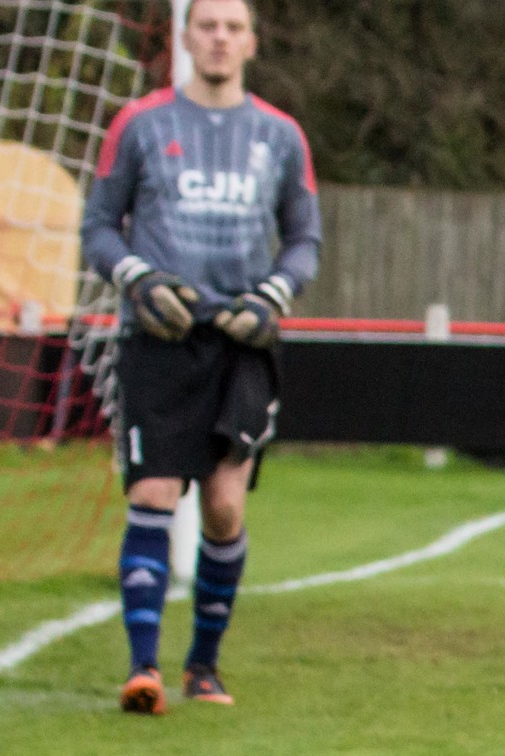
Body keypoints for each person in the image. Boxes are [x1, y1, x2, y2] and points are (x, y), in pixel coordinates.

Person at [81, 0, 320, 713]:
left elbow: (304, 236)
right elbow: (99, 225)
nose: (219, 38)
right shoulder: (142, 125)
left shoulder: (280, 136)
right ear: (186, 38)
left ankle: (204, 667)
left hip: (240, 344)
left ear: (251, 41)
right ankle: (143, 668)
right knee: (152, 493)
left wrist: (274, 295)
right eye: (207, 25)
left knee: (222, 507)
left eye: (232, 27)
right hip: (159, 341)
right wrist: (139, 279)